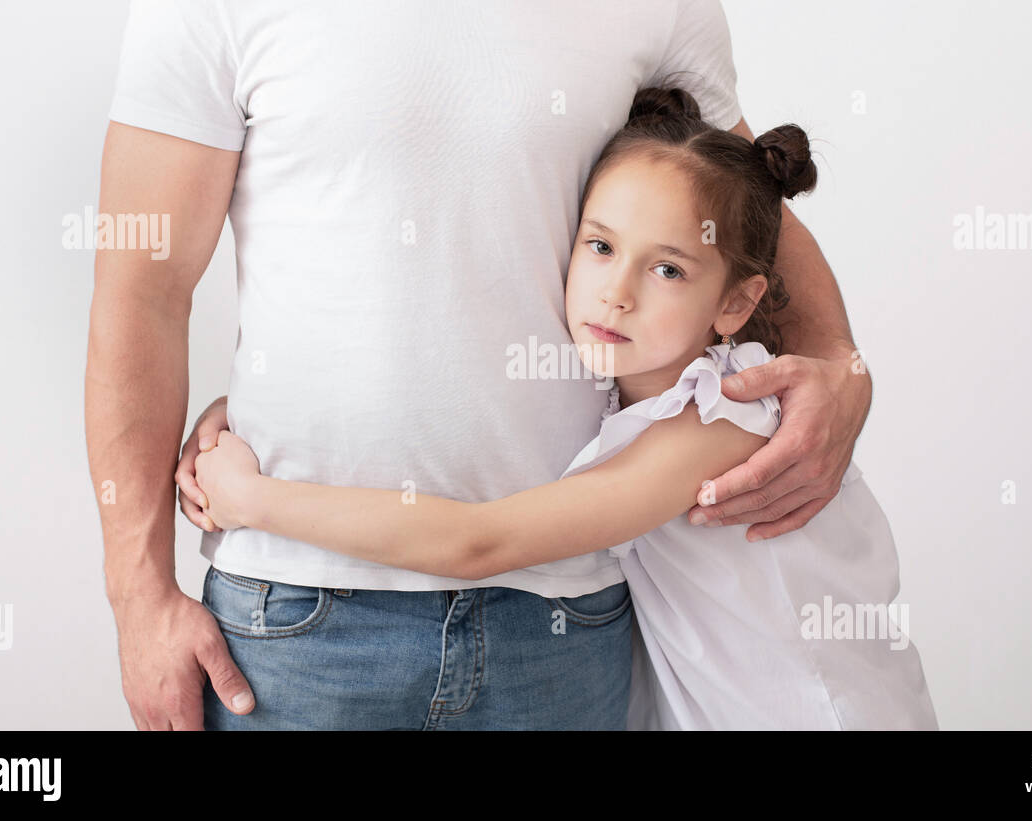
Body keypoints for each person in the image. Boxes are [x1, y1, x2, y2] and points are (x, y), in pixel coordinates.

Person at [87, 0, 877, 730]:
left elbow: (734, 200)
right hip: (292, 618)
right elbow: (141, 288)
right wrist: (139, 598)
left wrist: (842, 369)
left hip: (564, 618)